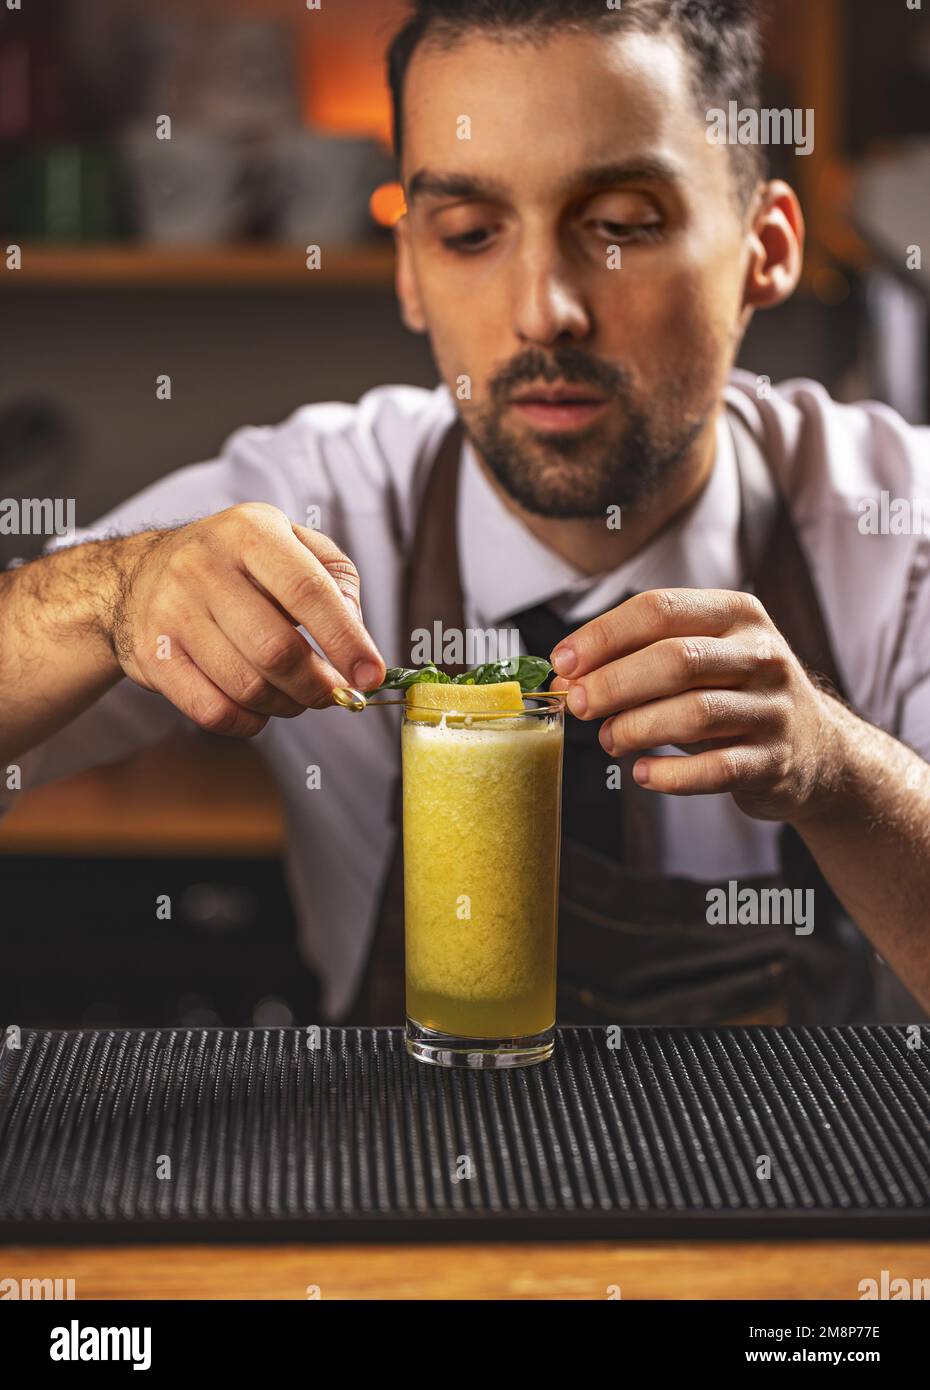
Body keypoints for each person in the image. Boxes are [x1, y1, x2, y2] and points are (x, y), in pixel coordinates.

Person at [1, 0, 928, 1026]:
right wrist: (106, 595)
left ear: (767, 248)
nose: (545, 309)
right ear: (408, 267)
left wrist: (842, 775)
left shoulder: (898, 523)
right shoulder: (315, 496)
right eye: (471, 233)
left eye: (620, 227)